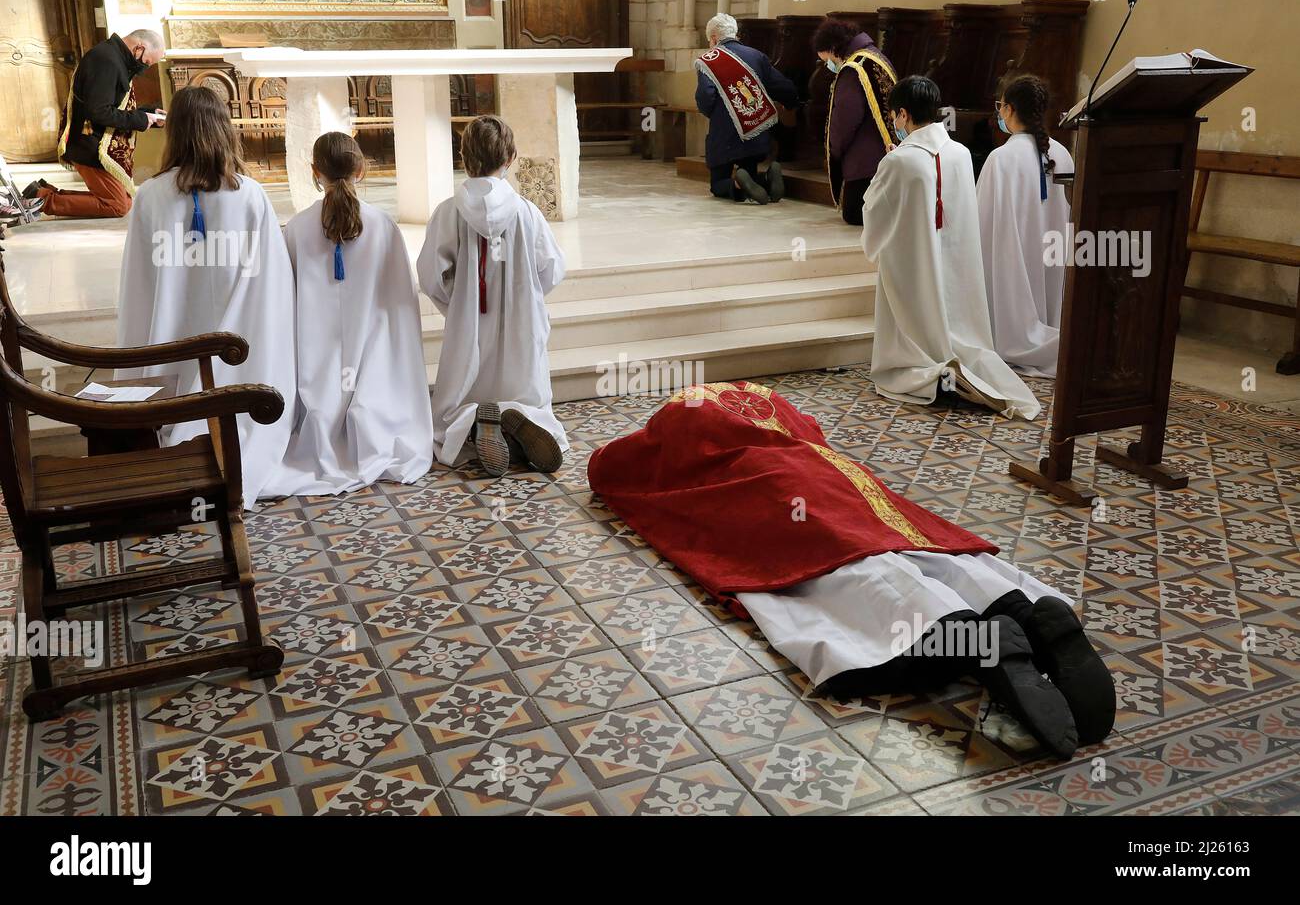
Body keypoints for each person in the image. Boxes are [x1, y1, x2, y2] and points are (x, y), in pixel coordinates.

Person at [588, 381, 1116, 758]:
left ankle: (970, 639)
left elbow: (611, 469)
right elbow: (813, 429)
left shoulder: (690, 427)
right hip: (838, 479)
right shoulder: (789, 423)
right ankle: (1023, 613)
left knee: (846, 571)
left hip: (775, 490)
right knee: (922, 548)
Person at [116, 86, 295, 510]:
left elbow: (139, 287)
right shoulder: (250, 195)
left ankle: (173, 432)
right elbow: (271, 284)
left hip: (172, 351)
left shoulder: (151, 195)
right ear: (223, 130)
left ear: (175, 132)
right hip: (238, 355)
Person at [863, 75, 1041, 420]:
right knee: (956, 320)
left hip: (912, 261)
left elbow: (875, 210)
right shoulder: (960, 153)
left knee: (912, 320)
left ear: (902, 114)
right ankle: (957, 364)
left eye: (894, 116)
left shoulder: (899, 160)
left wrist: (889, 165)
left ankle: (921, 368)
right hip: (956, 258)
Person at [266, 132, 432, 496]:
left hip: (317, 364)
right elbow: (399, 301)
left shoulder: (296, 228)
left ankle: (323, 431)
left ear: (315, 171)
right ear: (361, 169)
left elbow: (284, 299)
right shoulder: (383, 225)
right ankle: (369, 429)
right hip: (371, 360)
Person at [416, 115, 567, 477]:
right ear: (511, 157)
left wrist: (458, 304)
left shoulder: (448, 212)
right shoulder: (527, 213)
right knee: (526, 388)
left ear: (464, 155)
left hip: (469, 321)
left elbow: (429, 275)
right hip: (520, 320)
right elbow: (551, 269)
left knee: (459, 395)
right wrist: (525, 297)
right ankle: (520, 423)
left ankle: (473, 421)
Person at [1, 30, 167, 225]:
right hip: (88, 144)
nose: (144, 68)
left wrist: (148, 113)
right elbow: (99, 111)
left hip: (93, 140)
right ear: (139, 48)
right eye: (146, 62)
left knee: (124, 201)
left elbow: (115, 105)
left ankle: (41, 193)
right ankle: (41, 199)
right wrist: (140, 120)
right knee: (117, 205)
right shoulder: (107, 60)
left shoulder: (114, 57)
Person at [977, 74, 1075, 377]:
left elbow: (980, 222)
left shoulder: (1001, 158)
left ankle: (1021, 336)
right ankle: (1054, 333)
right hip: (1052, 254)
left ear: (1008, 109)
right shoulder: (1063, 155)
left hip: (1013, 260)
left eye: (1000, 106)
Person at [695, 13, 799, 205]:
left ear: (715, 38)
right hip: (755, 134)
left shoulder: (708, 60)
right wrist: (791, 102)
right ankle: (766, 179)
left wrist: (715, 115)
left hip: (724, 138)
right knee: (747, 172)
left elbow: (705, 97)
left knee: (717, 184)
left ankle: (737, 186)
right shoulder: (756, 55)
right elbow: (782, 87)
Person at [814, 18, 897, 225]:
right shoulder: (876, 57)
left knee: (854, 214)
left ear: (834, 49)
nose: (828, 66)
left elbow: (845, 118)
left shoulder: (853, 69)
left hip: (865, 162)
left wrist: (835, 149)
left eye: (827, 61)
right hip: (885, 153)